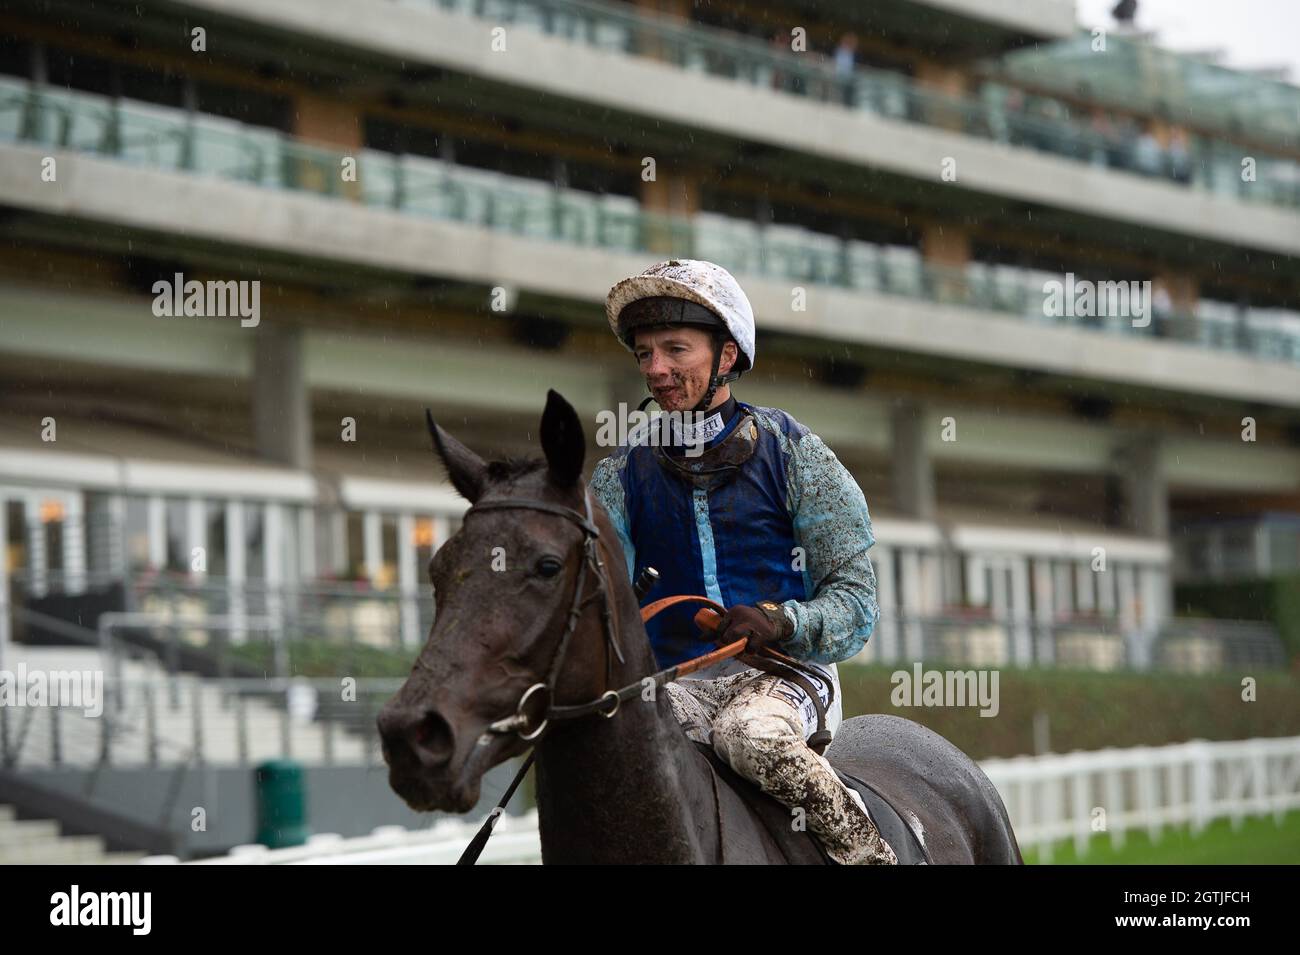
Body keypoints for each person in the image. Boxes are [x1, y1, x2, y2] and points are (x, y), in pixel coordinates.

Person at [589, 258, 897, 864]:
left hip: (786, 678)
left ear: (726, 357)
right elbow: (600, 606)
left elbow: (857, 605)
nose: (657, 370)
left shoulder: (798, 456)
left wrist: (780, 620)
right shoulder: (618, 477)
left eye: (676, 349)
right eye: (645, 354)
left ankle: (870, 855)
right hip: (673, 686)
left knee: (748, 737)